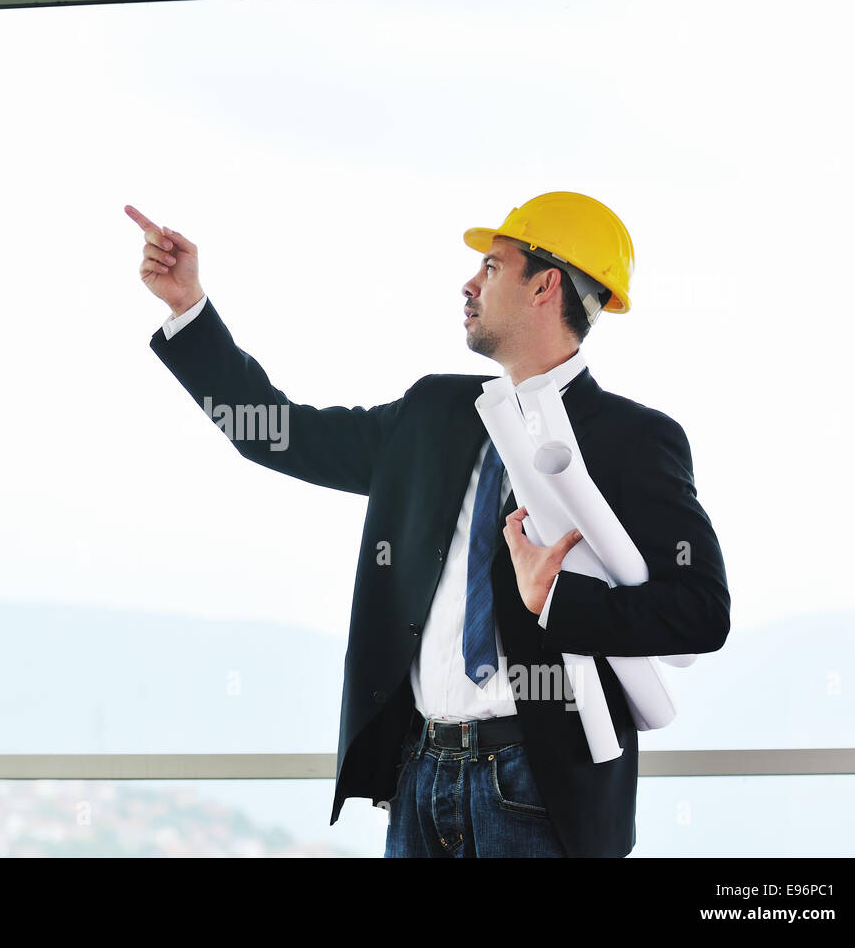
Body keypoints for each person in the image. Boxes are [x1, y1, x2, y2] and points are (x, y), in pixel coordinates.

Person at [124, 192, 729, 858]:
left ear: (546, 285)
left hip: (540, 793)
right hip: (421, 779)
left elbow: (698, 611)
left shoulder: (634, 439)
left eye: (493, 268)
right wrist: (189, 311)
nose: (469, 283)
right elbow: (276, 433)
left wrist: (557, 599)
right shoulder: (434, 412)